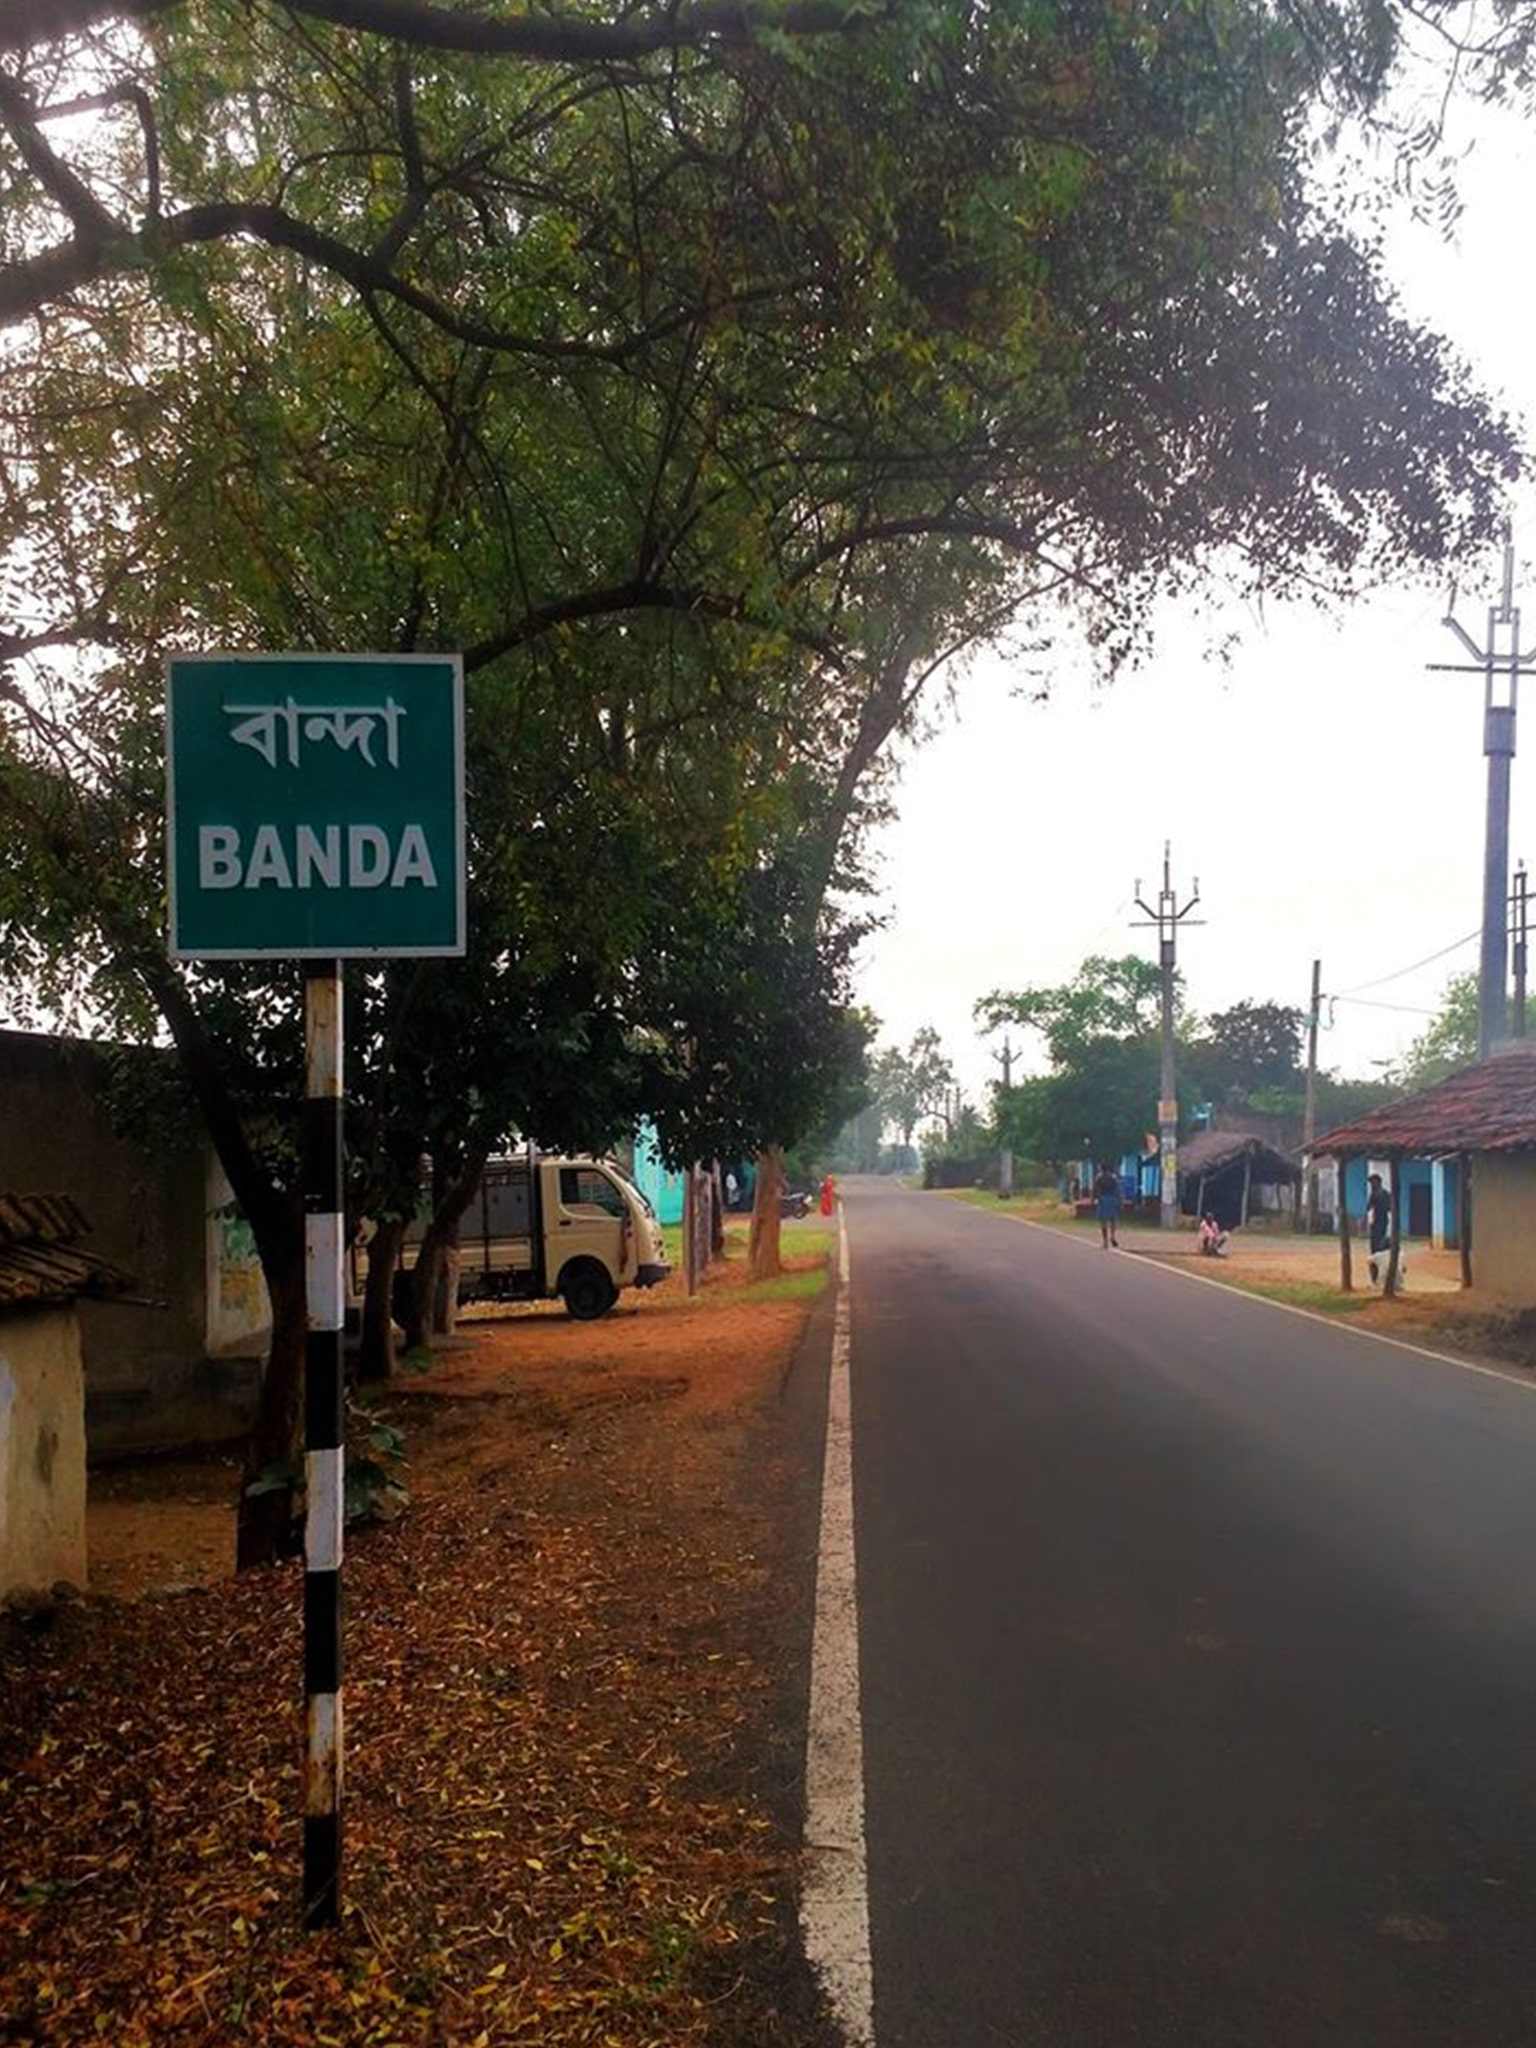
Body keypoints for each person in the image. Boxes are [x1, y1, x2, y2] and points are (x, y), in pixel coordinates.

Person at [1363, 1170, 1392, 1284]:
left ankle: (1375, 1278)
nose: (1371, 1185)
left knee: (1375, 1252)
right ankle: (1378, 1277)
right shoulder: (1386, 1194)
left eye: (1372, 1183)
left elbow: (1368, 1207)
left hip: (1378, 1225)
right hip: (1382, 1224)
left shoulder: (1376, 1194)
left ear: (1378, 1182)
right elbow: (1390, 1209)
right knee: (1380, 1251)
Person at [1092, 1163, 1122, 1249]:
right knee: (1113, 1220)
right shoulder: (1113, 1178)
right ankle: (1112, 1236)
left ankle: (1105, 1241)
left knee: (1103, 1221)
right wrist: (1120, 1200)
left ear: (1101, 1169)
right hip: (1113, 1199)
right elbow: (1118, 1190)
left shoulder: (1099, 1178)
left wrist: (1094, 1199)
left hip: (1103, 1199)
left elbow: (1095, 1190)